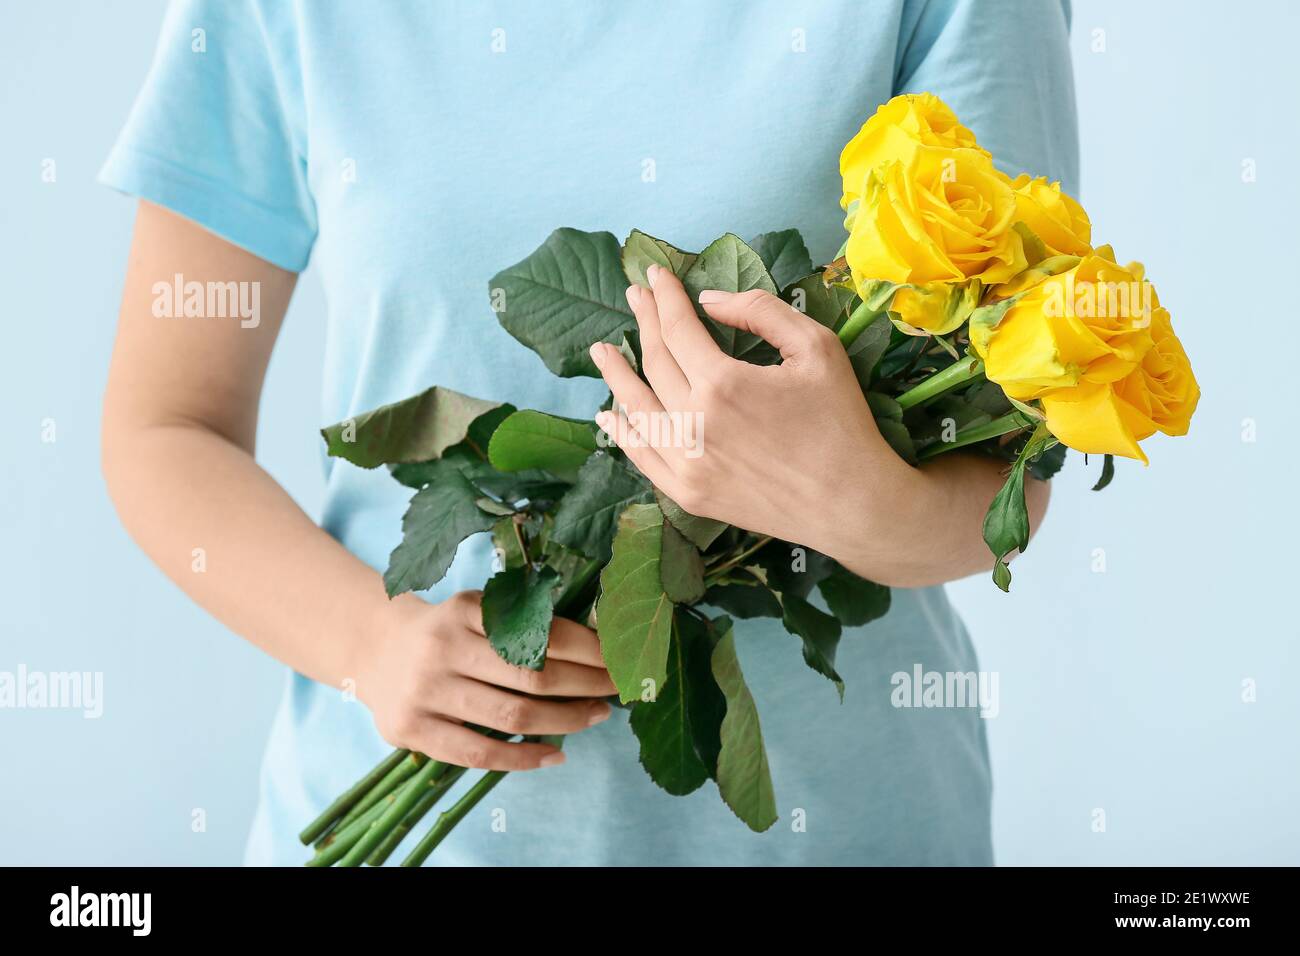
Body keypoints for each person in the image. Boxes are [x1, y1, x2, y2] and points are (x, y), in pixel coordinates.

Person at [100, 0, 1076, 865]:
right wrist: (369, 640)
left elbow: (1005, 475)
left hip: (836, 822)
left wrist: (839, 490)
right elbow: (167, 425)